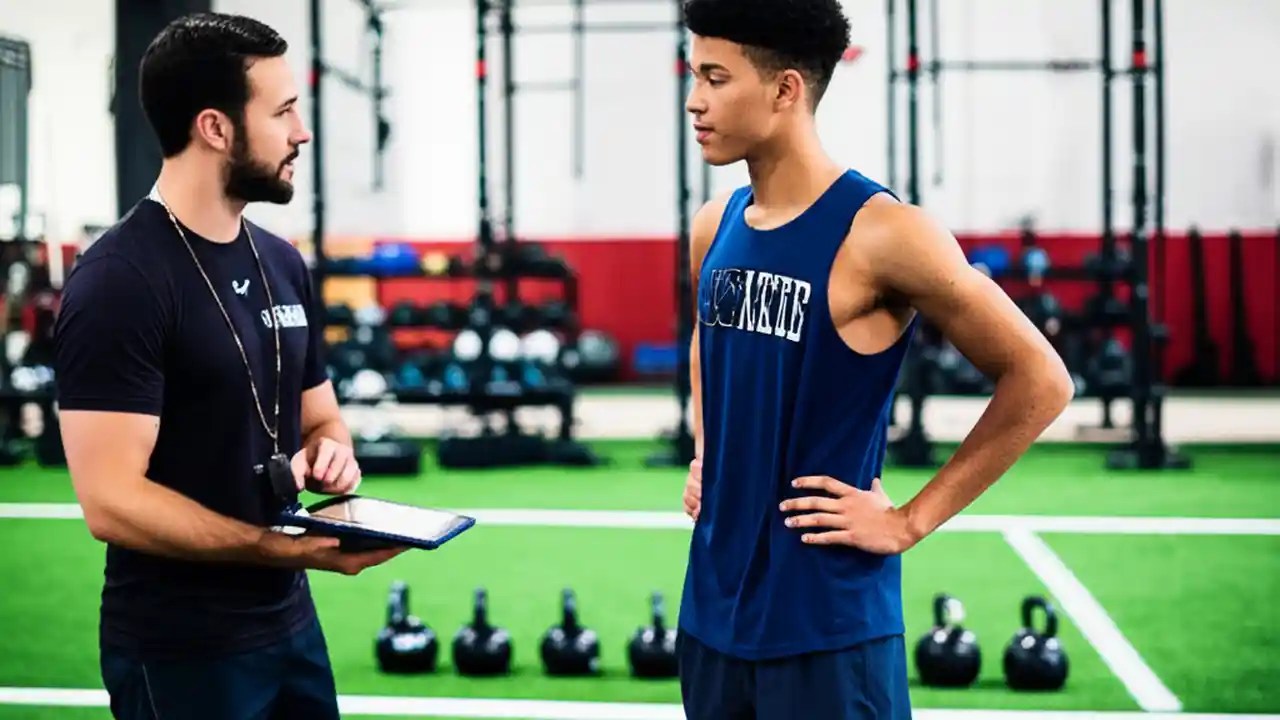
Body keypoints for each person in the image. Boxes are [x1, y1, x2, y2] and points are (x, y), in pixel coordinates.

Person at [676, 0, 1076, 717]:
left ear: (785, 89)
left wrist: (909, 520)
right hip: (710, 614)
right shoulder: (717, 224)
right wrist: (709, 448)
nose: (694, 100)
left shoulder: (885, 234)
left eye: (715, 77)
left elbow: (1040, 379)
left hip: (826, 626)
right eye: (693, 75)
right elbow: (711, 336)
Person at [53, 13, 405, 719]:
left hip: (290, 630)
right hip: (180, 649)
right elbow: (110, 501)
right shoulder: (120, 279)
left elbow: (322, 417)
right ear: (215, 128)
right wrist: (276, 548)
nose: (300, 132)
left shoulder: (280, 261)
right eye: (282, 112)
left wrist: (332, 454)